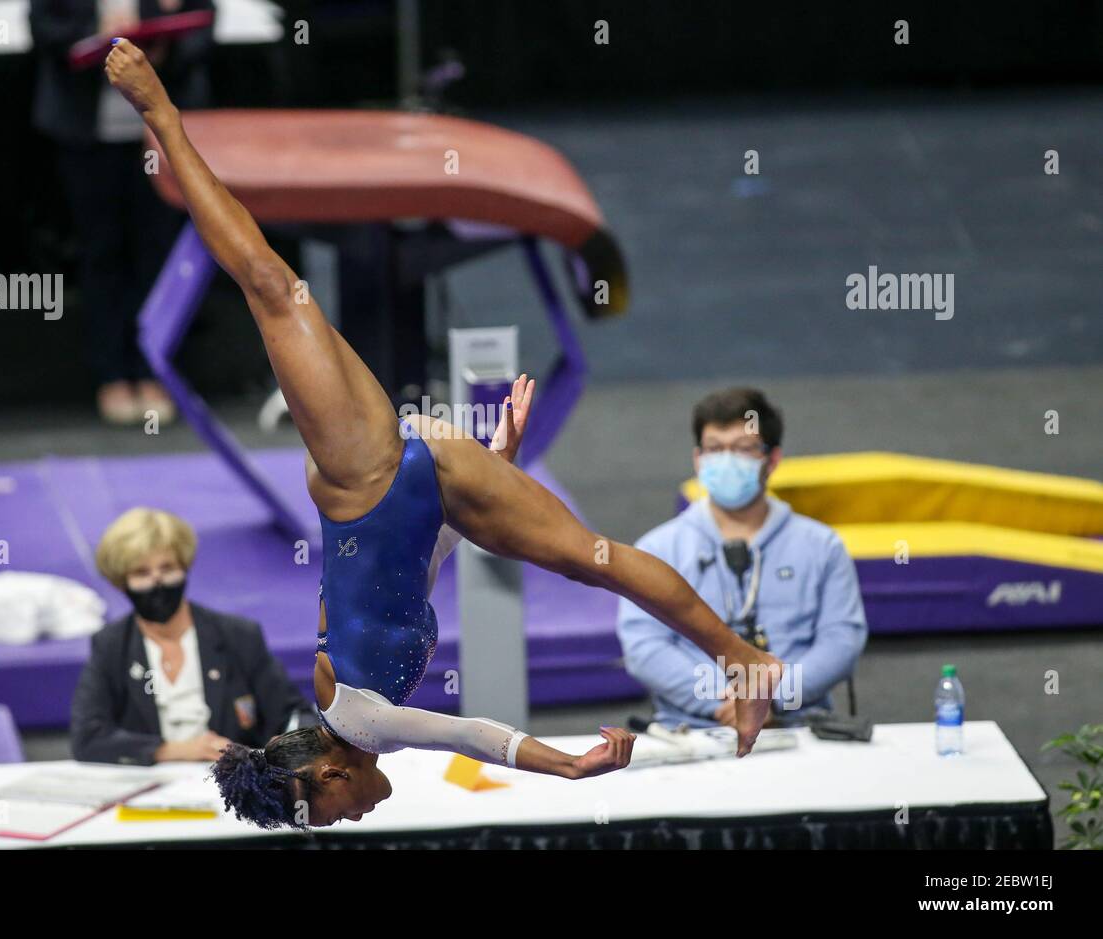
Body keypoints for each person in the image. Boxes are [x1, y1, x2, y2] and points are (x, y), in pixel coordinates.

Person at [103, 40, 783, 830]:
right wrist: (488, 477)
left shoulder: (360, 720)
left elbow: (469, 735)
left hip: (368, 470)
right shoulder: (358, 705)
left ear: (327, 773)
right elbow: (401, 573)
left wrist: (566, 764)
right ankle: (745, 659)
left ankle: (161, 113)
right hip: (426, 493)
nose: (352, 819)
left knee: (272, 288)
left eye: (334, 815)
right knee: (599, 561)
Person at [617, 388, 867, 731]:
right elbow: (644, 646)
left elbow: (841, 641)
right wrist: (723, 700)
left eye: (743, 449)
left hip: (800, 726)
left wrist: (771, 699)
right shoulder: (658, 549)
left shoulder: (822, 546)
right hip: (691, 731)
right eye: (715, 449)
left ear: (772, 459)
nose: (727, 459)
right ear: (697, 459)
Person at [30, 0, 215, 424]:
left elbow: (201, 30)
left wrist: (158, 33)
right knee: (102, 253)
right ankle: (111, 373)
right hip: (88, 134)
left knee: (161, 253)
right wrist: (96, 29)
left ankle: (157, 370)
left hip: (163, 138)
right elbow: (43, 29)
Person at [71, 507, 318, 765]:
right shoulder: (111, 646)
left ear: (185, 567)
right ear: (121, 582)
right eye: (142, 573)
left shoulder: (238, 636)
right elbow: (87, 739)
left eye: (167, 568)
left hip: (232, 786)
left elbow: (295, 716)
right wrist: (175, 750)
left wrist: (275, 756)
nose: (158, 582)